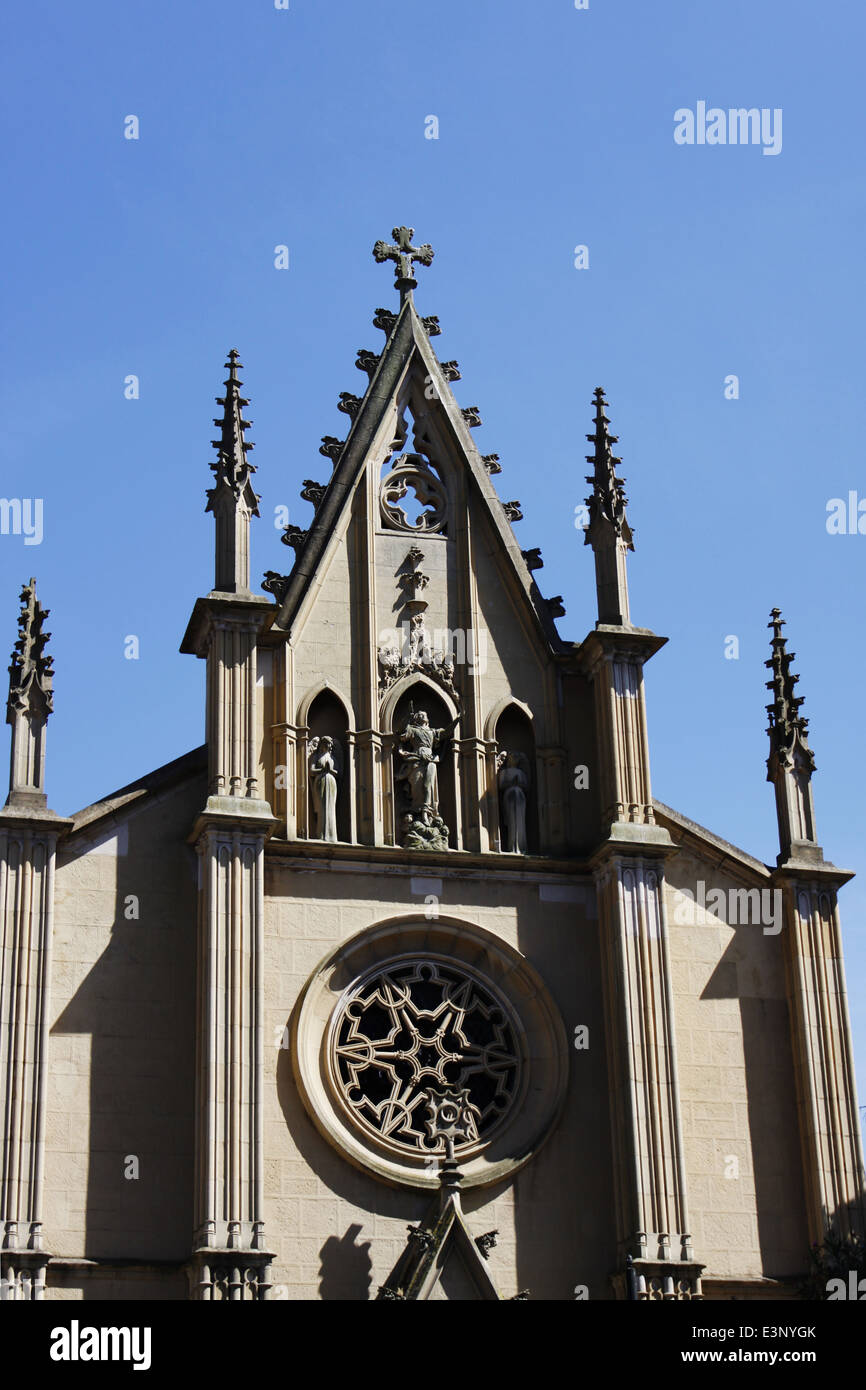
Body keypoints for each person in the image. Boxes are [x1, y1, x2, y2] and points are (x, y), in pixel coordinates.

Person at [309, 735, 340, 842]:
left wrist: (330, 770)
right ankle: (321, 834)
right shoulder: (316, 757)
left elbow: (338, 772)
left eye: (329, 744)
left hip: (331, 783)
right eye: (326, 743)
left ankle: (331, 836)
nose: (328, 746)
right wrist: (322, 770)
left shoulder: (333, 758)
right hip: (320, 782)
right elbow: (311, 771)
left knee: (330, 809)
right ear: (322, 744)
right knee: (321, 808)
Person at [498, 751, 528, 854]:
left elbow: (526, 786)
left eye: (516, 757)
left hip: (520, 797)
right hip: (509, 796)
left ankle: (521, 847)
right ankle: (512, 847)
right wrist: (511, 783)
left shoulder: (521, 772)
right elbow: (501, 785)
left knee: (520, 822)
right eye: (512, 757)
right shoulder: (504, 772)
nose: (514, 759)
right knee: (511, 822)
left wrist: (518, 784)